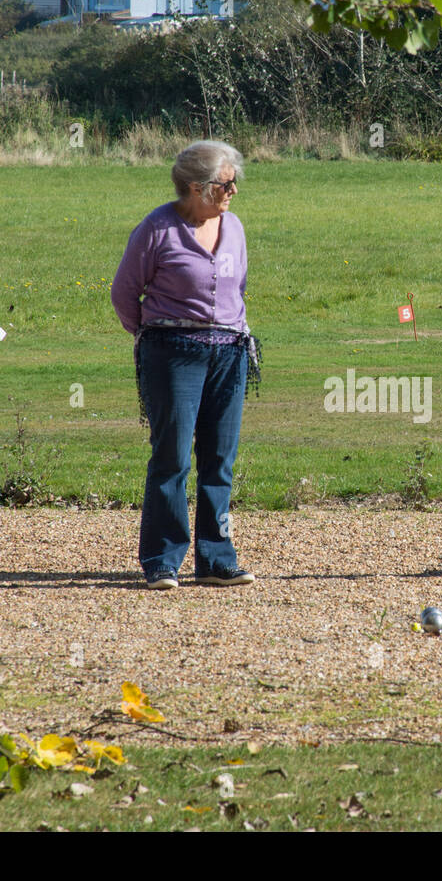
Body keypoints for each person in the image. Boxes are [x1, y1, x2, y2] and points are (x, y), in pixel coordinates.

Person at [111, 140, 260, 590]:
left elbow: (241, 287)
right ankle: (162, 559)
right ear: (197, 187)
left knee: (220, 460)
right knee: (172, 457)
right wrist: (156, 338)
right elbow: (124, 295)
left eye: (235, 182)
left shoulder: (233, 227)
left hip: (230, 353)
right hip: (173, 354)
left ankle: (216, 559)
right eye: (226, 183)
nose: (233, 190)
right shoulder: (157, 228)